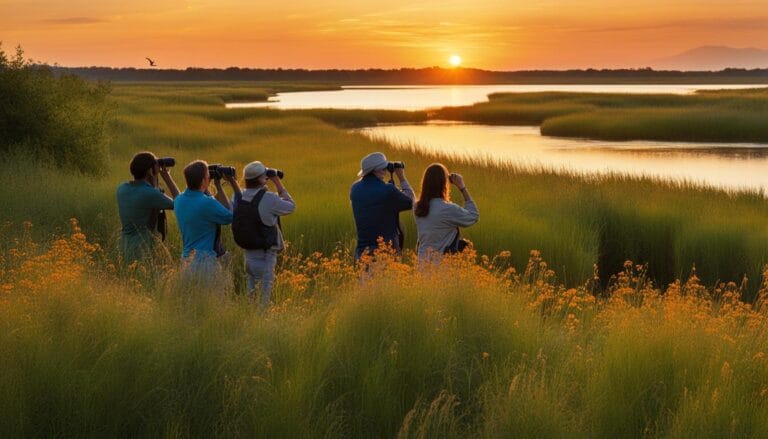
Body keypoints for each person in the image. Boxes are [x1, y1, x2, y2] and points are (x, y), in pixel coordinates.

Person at [232, 161, 296, 307]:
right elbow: (291, 206)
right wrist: (277, 181)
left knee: (251, 299)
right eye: (265, 176)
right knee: (263, 304)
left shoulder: (239, 196)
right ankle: (258, 327)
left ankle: (248, 325)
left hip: (248, 257)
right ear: (261, 179)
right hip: (265, 257)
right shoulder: (269, 198)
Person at [174, 160, 240, 269]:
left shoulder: (178, 200)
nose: (209, 178)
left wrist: (208, 186)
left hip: (186, 260)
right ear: (203, 180)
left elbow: (201, 200)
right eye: (208, 176)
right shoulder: (207, 203)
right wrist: (220, 185)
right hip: (205, 262)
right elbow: (230, 216)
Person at [116, 151, 180, 265]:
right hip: (143, 248)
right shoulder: (150, 193)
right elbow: (180, 203)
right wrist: (167, 177)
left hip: (124, 246)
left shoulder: (122, 188)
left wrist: (153, 183)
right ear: (150, 171)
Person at [350, 152, 415, 259]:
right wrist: (401, 177)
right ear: (379, 170)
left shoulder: (355, 189)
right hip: (386, 253)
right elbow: (409, 202)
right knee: (385, 277)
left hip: (362, 254)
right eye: (384, 168)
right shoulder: (387, 190)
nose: (385, 170)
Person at [414, 163, 479, 260]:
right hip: (441, 268)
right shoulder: (447, 209)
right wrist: (462, 188)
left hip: (422, 264)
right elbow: (473, 215)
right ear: (444, 184)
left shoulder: (418, 207)